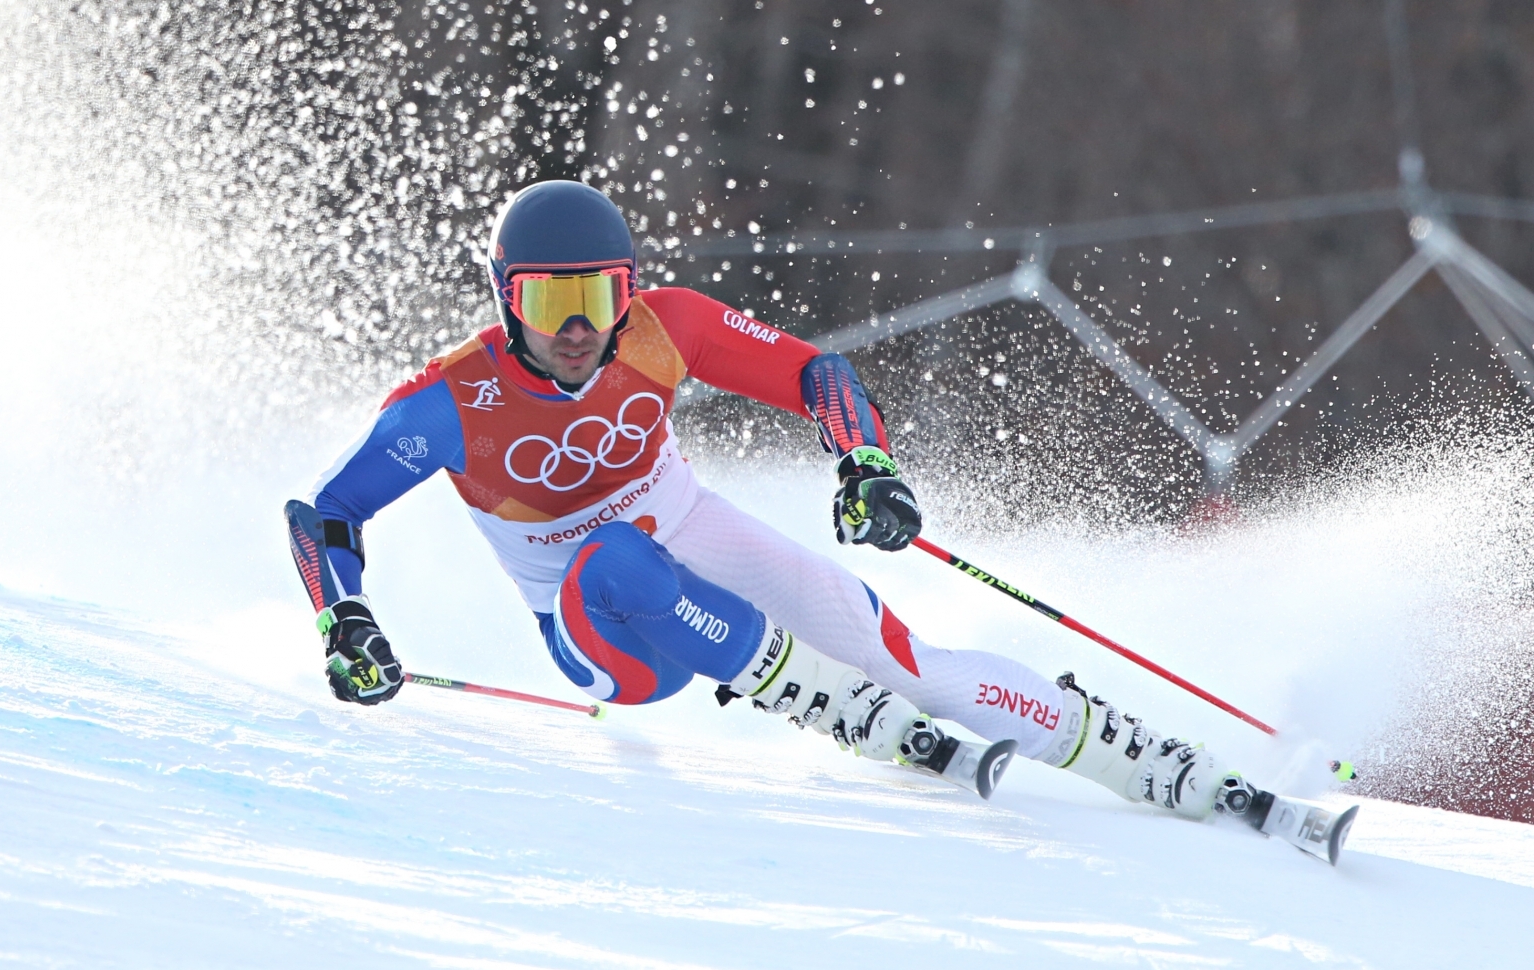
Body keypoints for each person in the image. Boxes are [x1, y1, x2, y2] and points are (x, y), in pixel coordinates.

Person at [289, 179, 1257, 822]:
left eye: (601, 294)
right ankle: (826, 703)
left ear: (630, 288)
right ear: (505, 299)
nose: (579, 327)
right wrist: (346, 619)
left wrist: (864, 462)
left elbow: (814, 372)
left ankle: (1138, 755)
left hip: (696, 534)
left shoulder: (664, 327)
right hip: (600, 626)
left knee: (898, 654)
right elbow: (327, 514)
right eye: (550, 302)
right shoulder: (450, 399)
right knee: (618, 557)